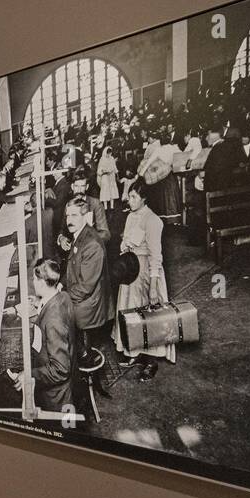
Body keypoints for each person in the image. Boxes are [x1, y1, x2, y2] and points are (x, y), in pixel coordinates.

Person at [111, 182, 171, 376]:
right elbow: (125, 240)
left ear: (144, 198)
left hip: (146, 273)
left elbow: (156, 256)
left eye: (134, 196)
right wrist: (125, 245)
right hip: (131, 270)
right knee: (131, 312)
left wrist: (153, 287)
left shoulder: (153, 220)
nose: (130, 200)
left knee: (150, 315)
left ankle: (151, 361)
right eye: (130, 196)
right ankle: (135, 352)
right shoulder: (130, 216)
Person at [10, 258, 75, 413]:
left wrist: (29, 374)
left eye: (34, 278)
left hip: (56, 399)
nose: (33, 281)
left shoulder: (53, 321)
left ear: (40, 282)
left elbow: (60, 369)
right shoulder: (63, 296)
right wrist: (39, 301)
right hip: (58, 381)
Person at [62, 196, 113, 369]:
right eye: (68, 216)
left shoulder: (91, 243)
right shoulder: (79, 235)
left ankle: (80, 362)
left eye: (74, 216)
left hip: (88, 304)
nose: (69, 221)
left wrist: (60, 296)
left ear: (85, 216)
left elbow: (86, 287)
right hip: (82, 295)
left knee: (56, 320)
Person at [96, 145, 120, 209]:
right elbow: (99, 170)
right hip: (105, 176)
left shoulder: (112, 158)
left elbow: (114, 167)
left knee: (112, 190)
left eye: (110, 153)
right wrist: (104, 172)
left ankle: (112, 206)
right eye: (108, 153)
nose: (109, 155)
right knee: (105, 190)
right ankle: (105, 206)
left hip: (111, 176)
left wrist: (117, 174)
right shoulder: (102, 159)